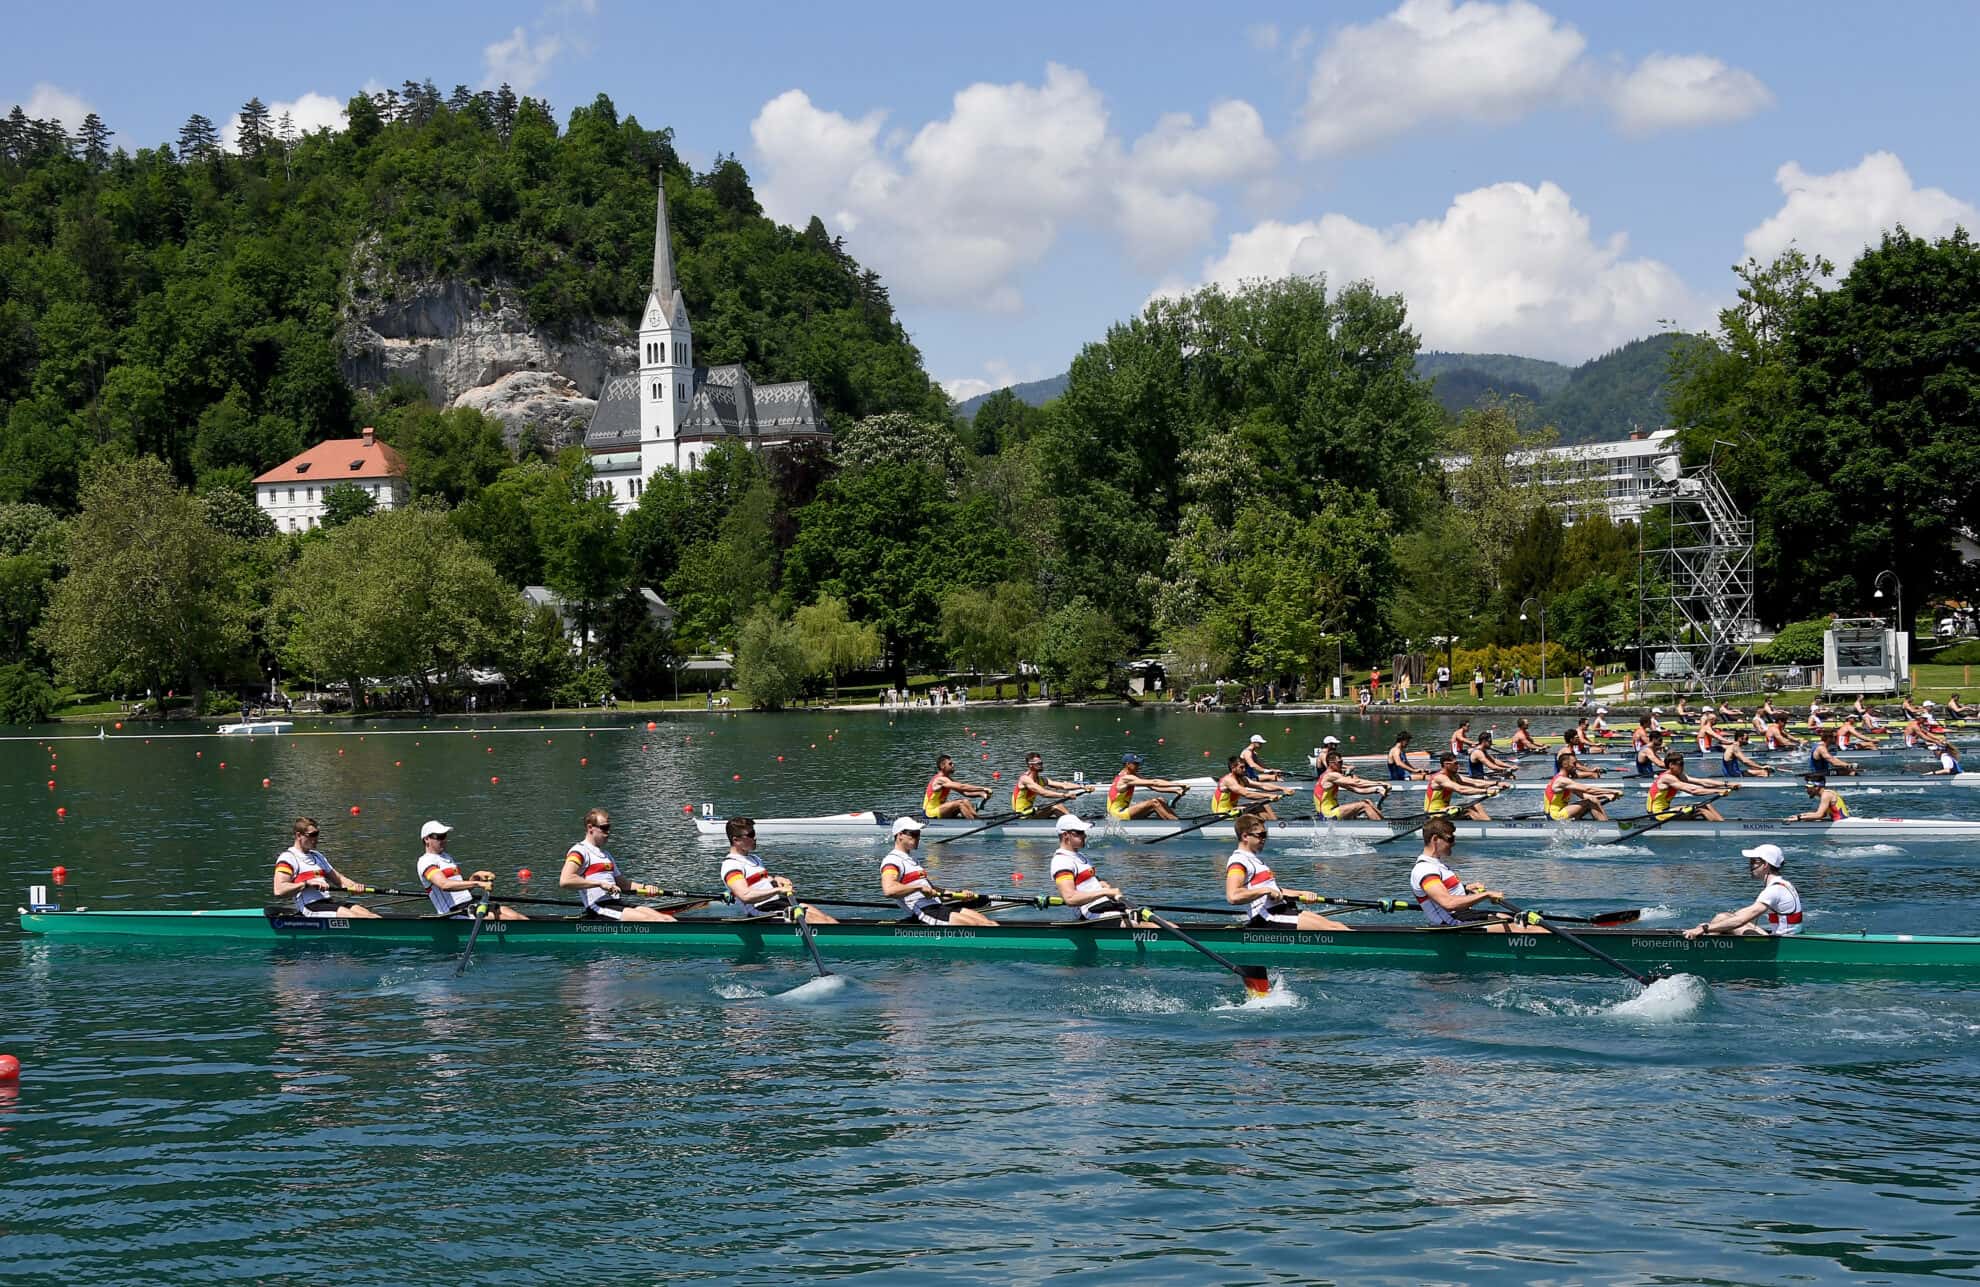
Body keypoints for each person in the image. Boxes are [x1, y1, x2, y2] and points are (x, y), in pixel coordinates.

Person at [1409, 815, 1535, 933]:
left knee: (1509, 918)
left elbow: (1443, 891)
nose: (1454, 843)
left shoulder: (1435, 865)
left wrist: (1466, 889)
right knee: (1524, 929)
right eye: (1450, 839)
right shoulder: (1425, 869)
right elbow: (1448, 903)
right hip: (1452, 923)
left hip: (1462, 915)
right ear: (1435, 839)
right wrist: (1486, 895)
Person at [1223, 814, 1348, 929]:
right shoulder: (1238, 862)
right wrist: (1266, 890)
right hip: (1267, 917)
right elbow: (1233, 896)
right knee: (1335, 929)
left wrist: (1301, 893)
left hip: (1280, 910)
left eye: (1266, 835)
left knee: (1337, 925)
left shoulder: (1255, 860)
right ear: (1245, 836)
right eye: (1261, 835)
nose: (1264, 839)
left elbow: (1276, 891)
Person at [560, 808, 674, 922]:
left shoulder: (606, 855)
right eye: (604, 828)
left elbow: (623, 884)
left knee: (666, 918)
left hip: (616, 903)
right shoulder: (579, 851)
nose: (608, 832)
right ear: (590, 828)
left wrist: (645, 888)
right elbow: (565, 880)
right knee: (652, 920)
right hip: (598, 907)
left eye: (609, 827)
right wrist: (599, 884)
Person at [881, 817, 996, 926]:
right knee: (980, 926)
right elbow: (889, 890)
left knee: (988, 922)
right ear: (900, 835)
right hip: (924, 912)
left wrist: (960, 895)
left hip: (936, 907)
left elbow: (933, 891)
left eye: (919, 834)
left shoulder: (911, 860)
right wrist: (919, 888)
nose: (918, 838)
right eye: (914, 834)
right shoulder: (892, 861)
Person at [721, 817, 836, 923]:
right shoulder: (732, 865)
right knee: (819, 922)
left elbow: (762, 881)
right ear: (736, 840)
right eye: (750, 834)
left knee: (829, 920)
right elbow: (745, 895)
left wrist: (776, 880)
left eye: (754, 833)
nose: (755, 838)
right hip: (760, 912)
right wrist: (778, 890)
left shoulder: (753, 859)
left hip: (776, 904)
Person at [1685, 844, 1801, 939]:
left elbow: (1740, 920)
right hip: (1784, 937)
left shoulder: (1773, 890)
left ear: (1765, 865)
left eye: (1753, 862)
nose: (1749, 866)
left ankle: (1705, 952)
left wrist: (1705, 928)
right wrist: (1712, 925)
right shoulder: (1784, 884)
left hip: (1782, 942)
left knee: (1721, 919)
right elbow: (1746, 913)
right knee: (1723, 917)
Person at [416, 820, 526, 921]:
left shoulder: (446, 857)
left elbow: (460, 891)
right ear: (426, 839)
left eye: (445, 836)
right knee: (509, 920)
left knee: (513, 915)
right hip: (452, 913)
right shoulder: (426, 861)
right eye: (439, 837)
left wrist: (474, 877)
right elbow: (444, 885)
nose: (444, 840)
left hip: (469, 906)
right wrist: (477, 883)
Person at [272, 817, 379, 918]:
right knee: (355, 917)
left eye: (317, 834)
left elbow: (339, 879)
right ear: (299, 835)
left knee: (369, 915)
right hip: (310, 907)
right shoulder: (288, 858)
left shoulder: (317, 856)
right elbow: (279, 890)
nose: (316, 839)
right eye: (312, 835)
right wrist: (306, 884)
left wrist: (354, 886)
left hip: (328, 902)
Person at [1049, 816, 1130, 922]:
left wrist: (1101, 884)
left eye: (1083, 832)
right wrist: (1105, 892)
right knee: (1146, 925)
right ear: (1065, 835)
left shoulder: (1079, 855)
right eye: (1079, 832)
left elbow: (1085, 883)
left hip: (1102, 906)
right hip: (1090, 915)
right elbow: (1070, 898)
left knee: (1142, 915)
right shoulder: (1062, 861)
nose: (1084, 835)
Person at [1647, 752, 1734, 821]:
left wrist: (1726, 784)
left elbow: (1702, 782)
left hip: (1665, 810)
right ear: (1671, 765)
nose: (1682, 767)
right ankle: (1723, 828)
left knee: (1706, 804)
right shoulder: (1667, 778)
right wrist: (1717, 791)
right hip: (1657, 814)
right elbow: (1693, 790)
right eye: (1680, 764)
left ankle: (1722, 823)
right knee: (1700, 810)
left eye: (1683, 763)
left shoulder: (1678, 775)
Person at [1108, 752, 1190, 821]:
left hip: (1123, 811)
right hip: (1117, 815)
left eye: (1138, 763)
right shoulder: (1126, 778)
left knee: (1160, 800)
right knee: (1155, 802)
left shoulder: (1133, 775)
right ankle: (1177, 823)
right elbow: (1155, 782)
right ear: (1128, 764)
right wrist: (1178, 784)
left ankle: (1167, 822)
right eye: (1136, 763)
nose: (1138, 766)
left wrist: (1175, 790)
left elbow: (1154, 787)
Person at [1424, 752, 1503, 820]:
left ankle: (1488, 822)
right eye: (1455, 763)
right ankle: (1491, 826)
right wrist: (1485, 791)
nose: (1458, 766)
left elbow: (1475, 782)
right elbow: (1461, 789)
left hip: (1445, 810)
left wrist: (1497, 783)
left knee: (1475, 804)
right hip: (1433, 813)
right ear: (1446, 765)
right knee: (1468, 811)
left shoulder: (1454, 776)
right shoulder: (1440, 778)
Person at [1543, 751, 1620, 821]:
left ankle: (1602, 823)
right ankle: (1606, 827)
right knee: (1590, 802)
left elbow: (1585, 795)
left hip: (1560, 812)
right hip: (1554, 816)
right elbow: (1588, 789)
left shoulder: (1566, 781)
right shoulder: (1562, 781)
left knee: (1592, 800)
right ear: (1565, 764)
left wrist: (1606, 795)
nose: (1576, 767)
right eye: (1574, 764)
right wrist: (1613, 790)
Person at [1314, 749, 1388, 820]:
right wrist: (1379, 783)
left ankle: (1384, 822)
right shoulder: (1331, 776)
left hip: (1333, 811)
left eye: (1342, 762)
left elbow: (1357, 789)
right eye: (1339, 762)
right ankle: (1385, 828)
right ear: (1331, 763)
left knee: (1367, 801)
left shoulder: (1336, 779)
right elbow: (1357, 782)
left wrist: (1376, 789)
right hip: (1327, 815)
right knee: (1364, 805)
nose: (1342, 764)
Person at [1010, 752, 1087, 818]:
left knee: (1054, 806)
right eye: (1039, 763)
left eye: (1041, 763)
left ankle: (1070, 822)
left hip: (1030, 811)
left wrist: (1083, 787)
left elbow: (1063, 785)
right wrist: (1064, 795)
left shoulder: (1041, 779)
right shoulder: (1025, 779)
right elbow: (1044, 793)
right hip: (1021, 814)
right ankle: (1073, 825)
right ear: (1030, 765)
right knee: (1056, 806)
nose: (1041, 765)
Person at [1212, 755, 1289, 820]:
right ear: (1233, 768)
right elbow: (1247, 794)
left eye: (1244, 767)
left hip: (1233, 809)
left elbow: (1262, 785)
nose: (1244, 770)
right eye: (1241, 767)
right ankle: (1276, 825)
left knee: (1263, 805)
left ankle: (1273, 823)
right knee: (1260, 807)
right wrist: (1269, 795)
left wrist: (1283, 789)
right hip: (1222, 813)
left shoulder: (1243, 779)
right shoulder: (1228, 780)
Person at [923, 753, 992, 820]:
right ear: (942, 766)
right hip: (930, 813)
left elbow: (965, 792)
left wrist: (981, 793)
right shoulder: (940, 779)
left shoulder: (948, 779)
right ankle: (976, 824)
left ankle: (976, 819)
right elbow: (962, 787)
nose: (953, 765)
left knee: (965, 801)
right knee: (960, 803)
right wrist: (983, 788)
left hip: (940, 810)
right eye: (950, 764)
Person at [1784, 780, 1849, 823]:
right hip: (1840, 820)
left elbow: (1819, 815)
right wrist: (1800, 815)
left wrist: (1798, 818)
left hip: (1840, 822)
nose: (1806, 790)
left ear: (1817, 787)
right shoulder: (1828, 792)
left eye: (1809, 788)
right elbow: (1823, 814)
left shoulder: (1826, 795)